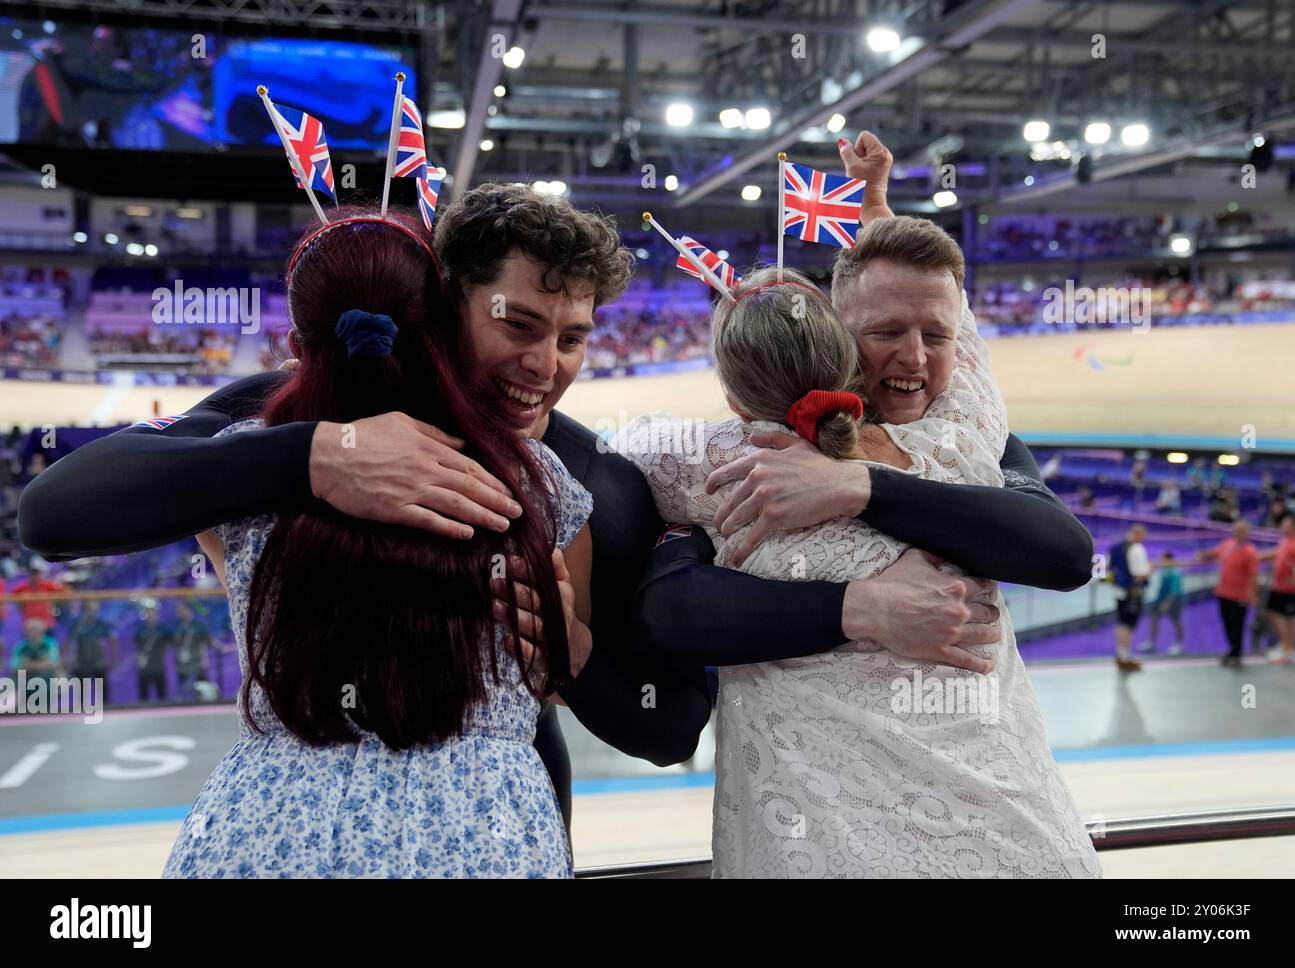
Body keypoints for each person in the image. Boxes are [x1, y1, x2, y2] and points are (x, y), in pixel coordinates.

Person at [20, 169, 1092, 828]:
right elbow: (61, 511)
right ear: (445, 305)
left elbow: (670, 725)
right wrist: (313, 457)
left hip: (503, 827)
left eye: (573, 337)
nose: (547, 365)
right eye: (518, 325)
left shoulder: (597, 477)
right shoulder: (299, 410)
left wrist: (576, 658)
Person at [615, 250, 1098, 878]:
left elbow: (613, 450)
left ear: (733, 396)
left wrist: (852, 485)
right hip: (1025, 841)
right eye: (886, 333)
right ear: (843, 344)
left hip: (827, 852)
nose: (917, 357)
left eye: (933, 335)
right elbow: (969, 350)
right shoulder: (961, 443)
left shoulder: (721, 468)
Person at [165, 209, 589, 878]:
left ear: (297, 341)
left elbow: (79, 504)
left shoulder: (237, 476)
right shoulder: (541, 482)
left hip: (264, 833)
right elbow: (555, 679)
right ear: (440, 326)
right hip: (486, 836)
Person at [1201, 520, 1259, 668]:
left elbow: (1253, 575)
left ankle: (1236, 653)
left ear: (1247, 534)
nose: (1238, 533)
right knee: (1226, 622)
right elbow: (1215, 553)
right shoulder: (1227, 544)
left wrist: (1252, 594)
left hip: (1240, 596)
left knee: (1237, 625)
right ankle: (1232, 650)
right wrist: (1204, 555)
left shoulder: (1250, 552)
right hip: (1224, 592)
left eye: (1241, 531)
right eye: (1236, 530)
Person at [1109, 523, 1150, 672]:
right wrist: (1149, 571)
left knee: (1121, 623)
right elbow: (1139, 574)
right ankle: (1125, 656)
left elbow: (1111, 568)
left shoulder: (1116, 547)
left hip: (1119, 591)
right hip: (1132, 593)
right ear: (1138, 534)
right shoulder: (1137, 549)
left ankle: (1121, 654)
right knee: (1128, 625)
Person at [1263, 512, 1295, 664]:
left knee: (1289, 618)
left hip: (1290, 588)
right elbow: (1278, 554)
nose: (1283, 527)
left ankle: (1289, 650)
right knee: (1271, 612)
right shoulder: (1285, 541)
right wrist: (1257, 557)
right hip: (1277, 585)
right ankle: (1284, 644)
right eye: (1283, 524)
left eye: (1287, 525)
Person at [68, 599, 117, 704]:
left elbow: (112, 642)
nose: (93, 613)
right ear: (85, 610)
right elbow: (69, 642)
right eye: (91, 610)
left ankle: (106, 712)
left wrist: (114, 658)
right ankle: (81, 714)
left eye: (96, 610)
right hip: (82, 663)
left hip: (98, 663)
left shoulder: (103, 625)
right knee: (81, 694)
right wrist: (69, 659)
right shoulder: (78, 626)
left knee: (103, 692)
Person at [1138, 550, 1185, 656]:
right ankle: (1151, 642)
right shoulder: (1163, 570)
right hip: (1159, 599)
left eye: (1163, 559)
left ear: (1170, 560)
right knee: (1154, 619)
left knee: (1176, 621)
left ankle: (1179, 644)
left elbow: (1174, 591)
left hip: (1173, 601)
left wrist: (1167, 603)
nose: (1161, 561)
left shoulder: (1175, 572)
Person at [173, 601, 213, 698]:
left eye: (182, 610)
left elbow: (208, 642)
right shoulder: (177, 626)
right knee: (184, 692)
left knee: (204, 692)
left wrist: (205, 659)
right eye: (178, 611)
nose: (180, 613)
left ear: (189, 610)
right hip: (183, 666)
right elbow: (175, 643)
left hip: (198, 665)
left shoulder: (199, 626)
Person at [134, 605, 173, 701]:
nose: (151, 617)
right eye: (149, 614)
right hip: (145, 668)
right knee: (143, 695)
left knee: (162, 695)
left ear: (157, 615)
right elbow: (137, 646)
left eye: (153, 614)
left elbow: (170, 641)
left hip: (158, 667)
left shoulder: (163, 630)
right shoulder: (140, 630)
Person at [9, 616, 61, 686]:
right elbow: (15, 666)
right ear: (25, 632)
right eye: (30, 630)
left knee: (60, 674)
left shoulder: (50, 644)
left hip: (46, 677)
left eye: (37, 630)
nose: (34, 633)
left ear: (43, 631)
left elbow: (54, 663)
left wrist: (28, 664)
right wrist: (43, 662)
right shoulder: (20, 646)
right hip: (26, 678)